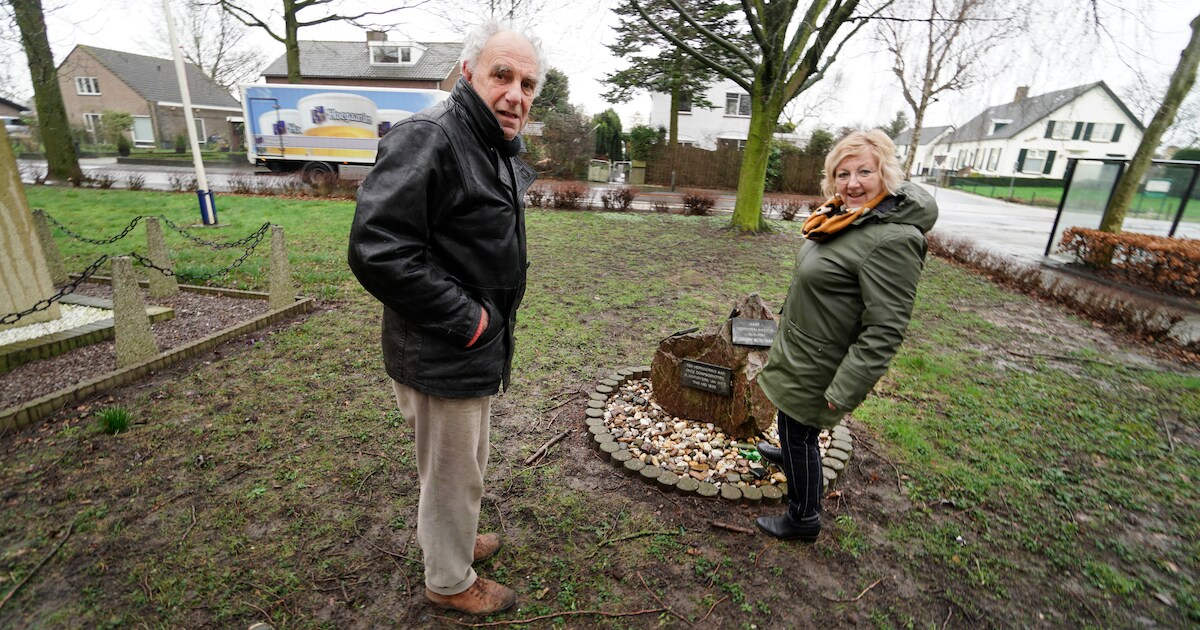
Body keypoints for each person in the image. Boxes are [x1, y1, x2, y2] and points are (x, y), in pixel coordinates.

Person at [347, 21, 545, 615]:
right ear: (468, 74)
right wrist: (470, 321)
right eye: (502, 76)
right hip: (445, 348)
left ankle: (453, 540)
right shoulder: (432, 137)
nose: (517, 94)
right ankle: (449, 580)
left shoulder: (489, 143)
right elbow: (378, 250)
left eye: (529, 84)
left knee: (465, 466)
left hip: (472, 348)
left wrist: (484, 329)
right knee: (452, 475)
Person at [754, 129, 938, 541]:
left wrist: (846, 388)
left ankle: (803, 518)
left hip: (823, 361)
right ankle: (789, 455)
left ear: (886, 175)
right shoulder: (844, 216)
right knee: (790, 422)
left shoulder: (893, 238)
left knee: (800, 429)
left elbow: (885, 329)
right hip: (803, 345)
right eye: (842, 173)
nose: (852, 183)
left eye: (864, 172)